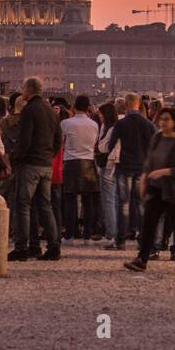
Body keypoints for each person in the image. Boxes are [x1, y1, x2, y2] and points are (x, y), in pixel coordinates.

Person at [123, 106, 175, 272]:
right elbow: (149, 161)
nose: (163, 122)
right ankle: (142, 259)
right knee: (149, 224)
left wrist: (164, 172)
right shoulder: (157, 138)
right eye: (161, 119)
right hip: (155, 188)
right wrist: (145, 179)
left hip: (173, 190)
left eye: (167, 119)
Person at [9, 77, 60, 261]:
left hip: (30, 164)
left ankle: (22, 247)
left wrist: (17, 158)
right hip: (46, 164)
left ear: (29, 90)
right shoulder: (51, 111)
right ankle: (53, 247)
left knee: (23, 205)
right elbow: (57, 140)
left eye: (23, 88)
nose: (21, 90)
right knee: (45, 206)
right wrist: (48, 156)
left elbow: (24, 140)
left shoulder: (29, 110)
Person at [105, 93, 155, 252]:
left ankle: (120, 241)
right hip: (142, 167)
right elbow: (153, 147)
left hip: (124, 167)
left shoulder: (121, 124)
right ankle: (143, 240)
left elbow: (110, 145)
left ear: (126, 104)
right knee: (141, 205)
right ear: (139, 104)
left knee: (124, 204)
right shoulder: (148, 124)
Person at [61, 95, 101, 242]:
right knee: (88, 200)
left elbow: (61, 142)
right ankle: (87, 235)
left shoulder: (66, 123)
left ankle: (70, 234)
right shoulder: (94, 124)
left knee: (70, 200)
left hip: (71, 161)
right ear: (88, 107)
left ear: (74, 107)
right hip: (89, 161)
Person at [95, 101, 120, 244]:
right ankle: (113, 229)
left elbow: (103, 147)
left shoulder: (111, 129)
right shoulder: (110, 127)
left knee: (109, 200)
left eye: (100, 113)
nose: (99, 116)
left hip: (108, 165)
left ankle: (111, 231)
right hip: (112, 165)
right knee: (113, 199)